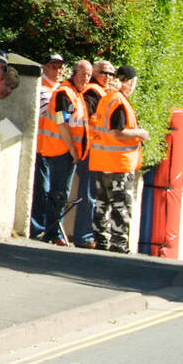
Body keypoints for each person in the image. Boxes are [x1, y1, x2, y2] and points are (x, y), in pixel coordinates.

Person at [86, 63, 148, 252]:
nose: (134, 86)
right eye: (134, 82)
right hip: (118, 164)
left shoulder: (107, 99)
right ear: (128, 82)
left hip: (103, 161)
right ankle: (118, 244)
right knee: (121, 205)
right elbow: (117, 132)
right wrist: (140, 133)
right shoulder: (119, 102)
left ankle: (101, 240)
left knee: (102, 204)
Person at [32, 58, 90, 244]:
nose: (86, 79)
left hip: (65, 150)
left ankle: (53, 231)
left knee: (59, 192)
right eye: (83, 74)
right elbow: (61, 121)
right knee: (58, 193)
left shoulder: (75, 94)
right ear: (73, 74)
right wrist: (73, 149)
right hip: (60, 150)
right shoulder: (64, 93)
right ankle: (53, 233)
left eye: (89, 75)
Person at [72, 60, 115, 248]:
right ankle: (84, 235)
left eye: (112, 74)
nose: (108, 77)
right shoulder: (93, 92)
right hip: (87, 148)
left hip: (92, 149)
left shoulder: (101, 93)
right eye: (104, 72)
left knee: (90, 193)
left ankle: (86, 234)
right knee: (87, 192)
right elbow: (88, 118)